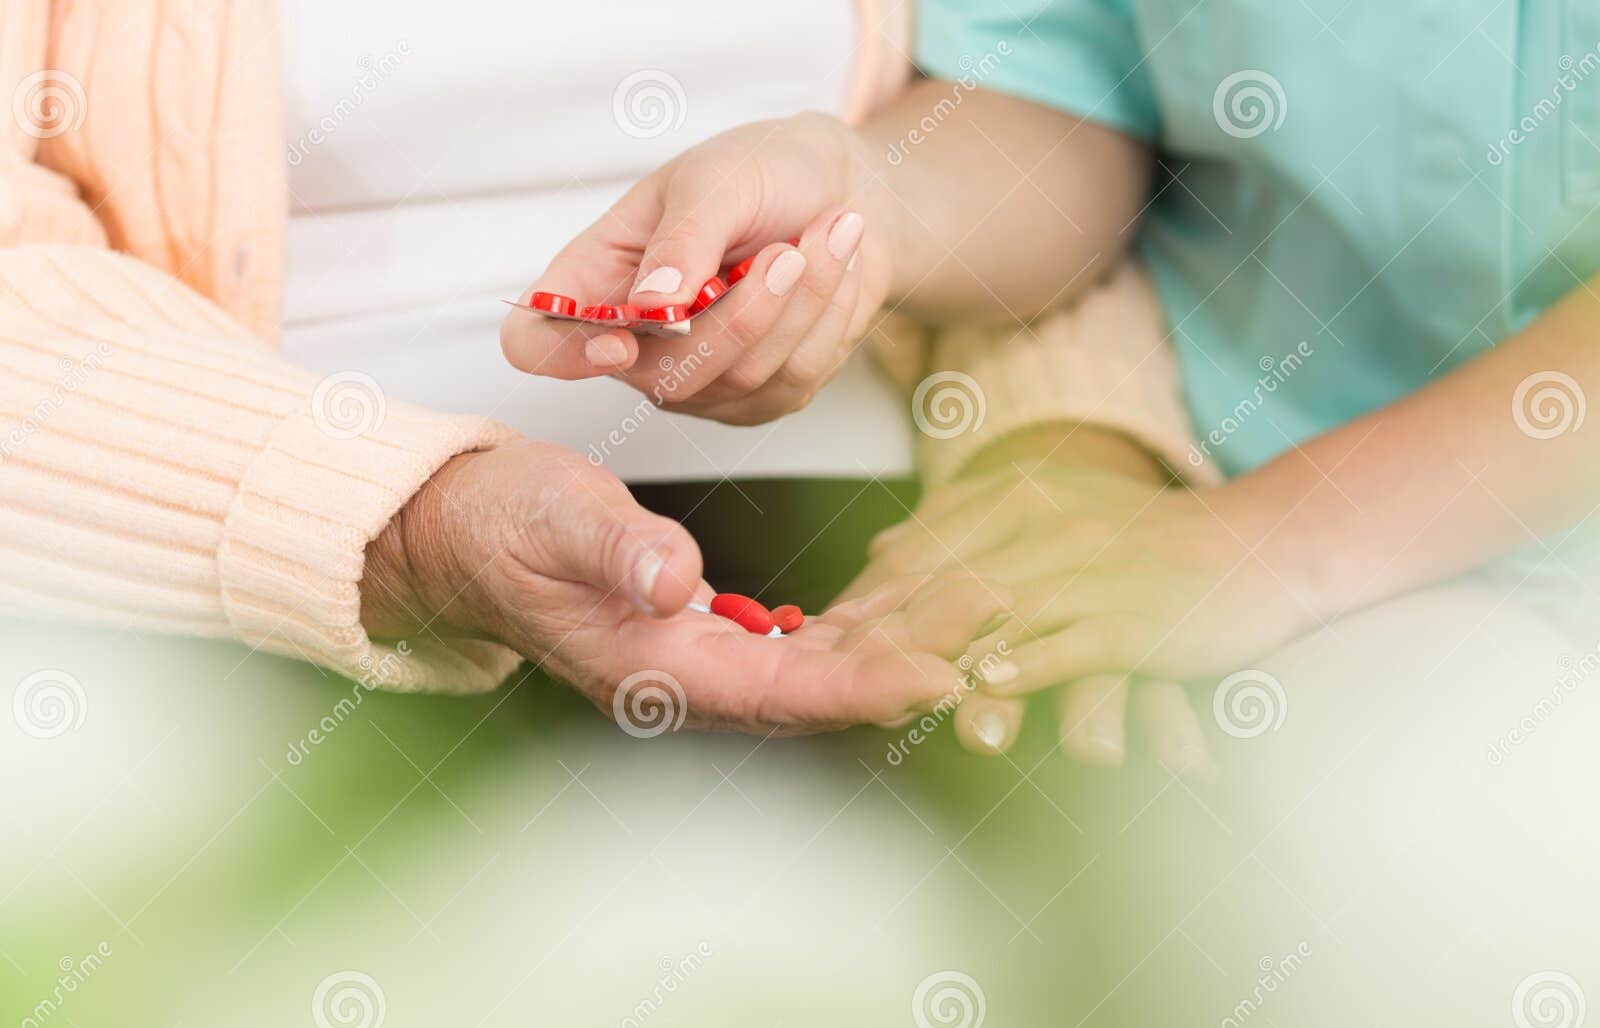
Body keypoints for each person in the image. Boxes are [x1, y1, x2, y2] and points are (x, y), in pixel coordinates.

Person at [506, 0, 1600, 766]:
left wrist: (1259, 546)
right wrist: (869, 197)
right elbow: (1066, 98)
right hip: (1190, 472)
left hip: (1275, 547)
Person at [0, 0, 1004, 734]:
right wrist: (409, 527)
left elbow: (1089, 101)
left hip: (884, 542)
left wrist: (1083, 445)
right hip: (261, 626)